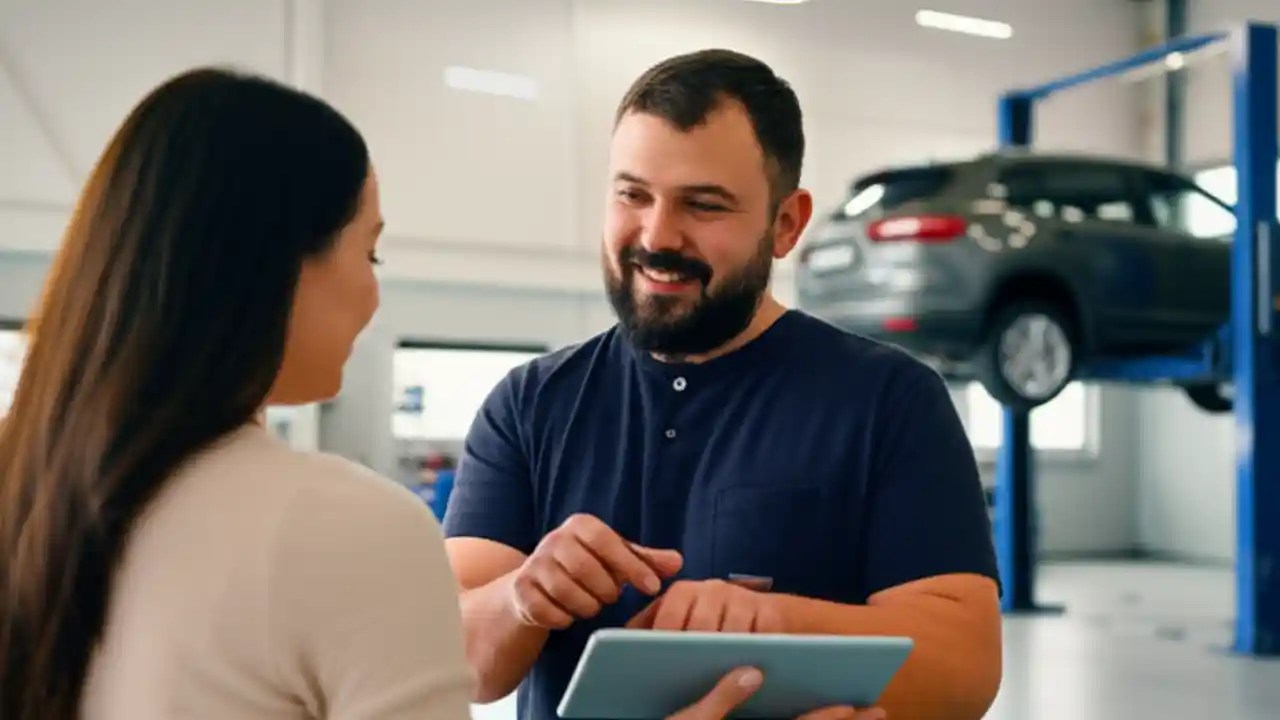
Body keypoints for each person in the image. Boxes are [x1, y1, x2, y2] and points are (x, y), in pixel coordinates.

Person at [0, 67, 860, 720]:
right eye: (368, 252)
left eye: (703, 204)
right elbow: (474, 656)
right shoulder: (351, 525)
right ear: (273, 268)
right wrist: (522, 597)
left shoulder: (29, 494)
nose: (374, 295)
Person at [443, 49, 1004, 720]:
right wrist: (521, 598)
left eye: (703, 205)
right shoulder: (530, 404)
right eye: (632, 195)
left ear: (786, 224)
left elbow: (964, 666)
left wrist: (767, 624)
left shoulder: (889, 402)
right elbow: (455, 661)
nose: (656, 236)